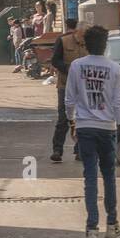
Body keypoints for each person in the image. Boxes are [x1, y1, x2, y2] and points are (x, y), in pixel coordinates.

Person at [65, 26, 120, 238]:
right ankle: (112, 226)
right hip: (107, 128)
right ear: (105, 44)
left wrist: (72, 122)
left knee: (89, 177)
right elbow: (119, 103)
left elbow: (69, 99)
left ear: (86, 45)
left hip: (85, 127)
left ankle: (91, 230)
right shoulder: (115, 68)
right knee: (109, 176)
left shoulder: (76, 66)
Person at [50, 18, 87, 163]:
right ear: (77, 31)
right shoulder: (63, 41)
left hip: (84, 87)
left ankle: (79, 150)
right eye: (82, 35)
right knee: (63, 118)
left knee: (83, 118)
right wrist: (67, 68)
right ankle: (57, 150)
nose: (83, 39)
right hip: (65, 86)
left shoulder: (90, 44)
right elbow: (55, 60)